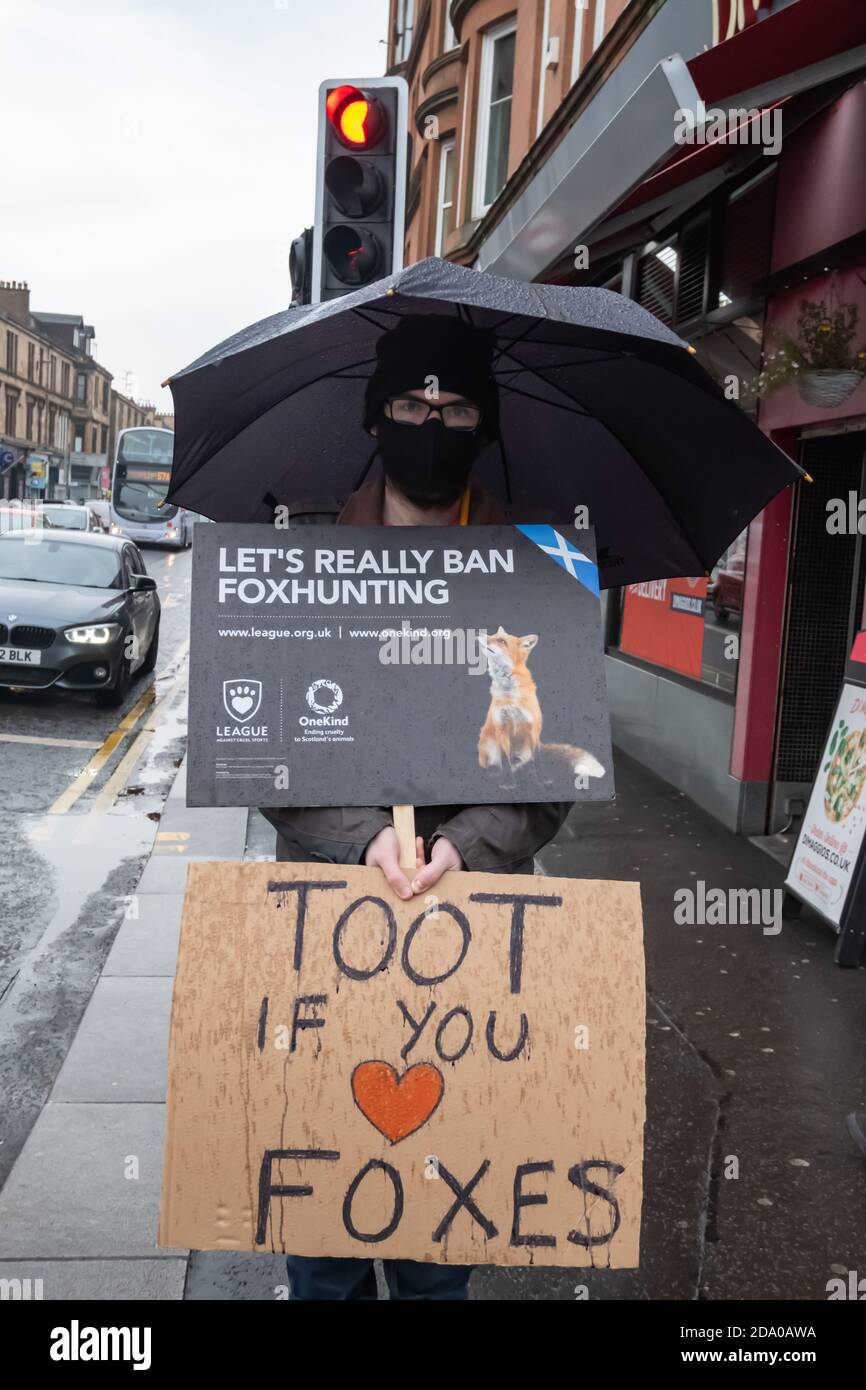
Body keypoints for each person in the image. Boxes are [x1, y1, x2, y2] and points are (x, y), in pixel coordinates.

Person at [260, 313, 572, 1300]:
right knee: (323, 1246)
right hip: (326, 935)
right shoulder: (299, 553)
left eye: (453, 407)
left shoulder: (541, 569)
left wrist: (465, 849)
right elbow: (266, 749)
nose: (429, 422)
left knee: (440, 1246)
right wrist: (362, 847)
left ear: (480, 426)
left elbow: (548, 763)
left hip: (470, 937)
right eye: (409, 403)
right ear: (375, 416)